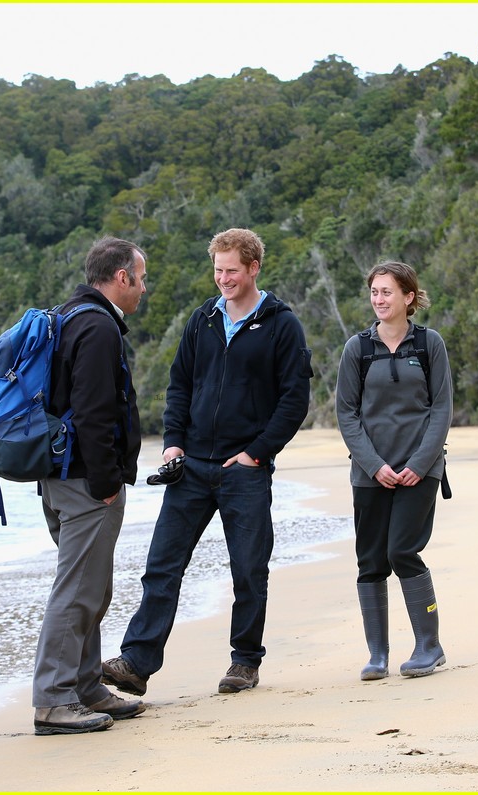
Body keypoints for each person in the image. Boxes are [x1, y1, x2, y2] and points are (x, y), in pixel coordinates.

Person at [102, 227, 313, 697]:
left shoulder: (282, 324)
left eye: (232, 271)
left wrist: (257, 454)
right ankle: (136, 663)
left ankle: (244, 663)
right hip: (191, 465)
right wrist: (173, 442)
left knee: (248, 569)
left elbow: (295, 401)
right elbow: (179, 385)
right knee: (161, 566)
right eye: (218, 271)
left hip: (246, 470)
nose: (223, 279)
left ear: (254, 267)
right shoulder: (203, 319)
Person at [32, 237, 148, 736]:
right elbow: (97, 410)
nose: (143, 288)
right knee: (78, 591)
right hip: (84, 481)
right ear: (121, 277)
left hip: (60, 476)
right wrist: (106, 482)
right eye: (141, 278)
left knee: (91, 587)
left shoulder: (69, 315)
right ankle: (54, 700)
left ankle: (85, 686)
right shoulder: (97, 326)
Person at [334, 261, 453, 680]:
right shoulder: (358, 348)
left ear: (408, 297)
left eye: (387, 292)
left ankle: (429, 645)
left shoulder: (429, 344)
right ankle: (378, 655)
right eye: (374, 292)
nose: (379, 300)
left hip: (420, 470)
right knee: (370, 561)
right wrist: (375, 465)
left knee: (402, 550)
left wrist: (420, 464)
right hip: (371, 474)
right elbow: (346, 415)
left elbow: (442, 409)